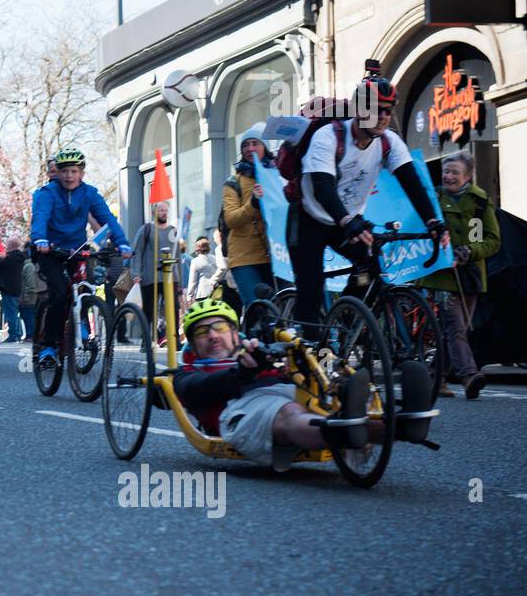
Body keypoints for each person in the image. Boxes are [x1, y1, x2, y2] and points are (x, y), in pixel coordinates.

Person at [173, 297, 430, 470]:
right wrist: (241, 372)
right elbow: (198, 389)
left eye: (218, 326)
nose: (213, 336)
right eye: (201, 332)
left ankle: (403, 426)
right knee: (289, 413)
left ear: (233, 332)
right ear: (193, 343)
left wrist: (290, 357)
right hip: (244, 407)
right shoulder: (186, 374)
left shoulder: (255, 348)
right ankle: (343, 427)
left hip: (291, 392)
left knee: (329, 396)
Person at [291, 67, 447, 328]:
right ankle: (302, 344)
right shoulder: (328, 136)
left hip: (347, 219)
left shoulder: (389, 142)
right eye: (377, 108)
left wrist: (433, 221)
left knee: (371, 266)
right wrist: (347, 221)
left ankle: (345, 322)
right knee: (312, 288)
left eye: (389, 110)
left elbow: (412, 183)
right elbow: (323, 187)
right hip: (310, 218)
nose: (383, 116)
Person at [30, 147, 132, 367]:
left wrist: (122, 242)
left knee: (83, 287)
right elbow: (40, 218)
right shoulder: (46, 194)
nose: (69, 175)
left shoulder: (89, 194)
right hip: (50, 250)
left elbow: (107, 220)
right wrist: (39, 239)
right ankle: (49, 345)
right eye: (65, 171)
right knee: (58, 291)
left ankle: (81, 325)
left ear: (81, 173)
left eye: (74, 171)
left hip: (76, 249)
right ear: (57, 172)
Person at [418, 151, 501, 400]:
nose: (448, 176)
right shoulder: (432, 198)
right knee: (455, 329)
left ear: (467, 176)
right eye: (446, 171)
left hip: (471, 274)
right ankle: (468, 375)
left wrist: (470, 251)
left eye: (454, 172)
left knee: (457, 331)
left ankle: (435, 378)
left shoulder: (480, 201)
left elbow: (493, 240)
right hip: (442, 275)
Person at [221, 125, 276, 307]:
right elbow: (231, 218)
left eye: (255, 143)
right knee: (257, 307)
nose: (249, 149)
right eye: (245, 145)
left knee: (279, 307)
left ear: (265, 147)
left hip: (275, 254)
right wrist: (253, 202)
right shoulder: (233, 182)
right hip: (244, 257)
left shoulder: (276, 174)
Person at [128, 201, 182, 340]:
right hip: (150, 277)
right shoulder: (146, 229)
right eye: (161, 210)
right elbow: (137, 252)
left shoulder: (172, 230)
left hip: (170, 277)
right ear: (154, 212)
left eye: (166, 210)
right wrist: (136, 273)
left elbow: (177, 256)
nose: (164, 213)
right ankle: (146, 341)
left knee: (173, 308)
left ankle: (174, 339)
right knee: (149, 311)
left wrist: (180, 280)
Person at [0, 235, 26, 344]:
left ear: (9, 245)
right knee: (14, 312)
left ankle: (13, 335)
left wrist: (0, 255)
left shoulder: (9, 258)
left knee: (10, 313)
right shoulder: (20, 257)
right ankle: (18, 333)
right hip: (16, 287)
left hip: (7, 288)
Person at [185, 235, 218, 304]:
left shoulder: (195, 261)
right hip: (216, 292)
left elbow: (193, 281)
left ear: (197, 248)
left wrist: (189, 296)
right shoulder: (215, 258)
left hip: (202, 293)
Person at [19, 247, 39, 342]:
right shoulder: (29, 265)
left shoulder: (28, 266)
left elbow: (30, 282)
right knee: (28, 316)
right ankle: (29, 334)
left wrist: (27, 295)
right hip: (28, 296)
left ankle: (31, 335)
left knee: (29, 316)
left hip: (29, 297)